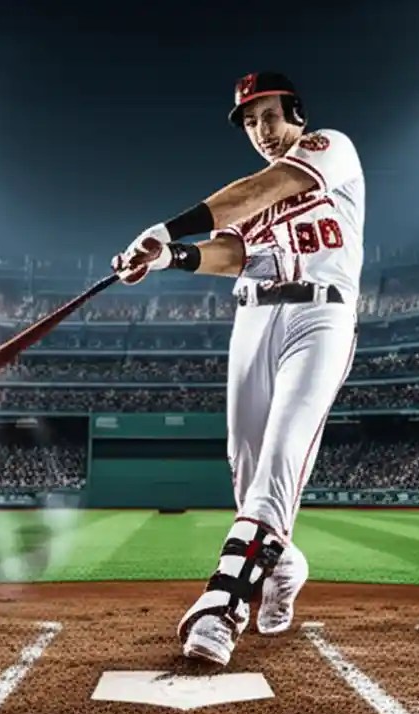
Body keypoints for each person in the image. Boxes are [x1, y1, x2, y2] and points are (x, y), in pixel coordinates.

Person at [111, 71, 365, 666]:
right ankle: (285, 559)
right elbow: (234, 252)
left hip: (319, 315)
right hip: (252, 320)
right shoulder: (251, 194)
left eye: (269, 115)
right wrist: (167, 256)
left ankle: (223, 606)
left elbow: (261, 188)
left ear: (296, 110)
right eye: (250, 122)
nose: (261, 130)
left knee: (280, 457)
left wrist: (168, 225)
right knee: (246, 468)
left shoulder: (330, 148)